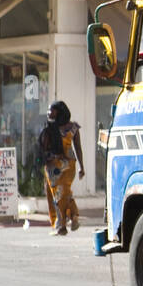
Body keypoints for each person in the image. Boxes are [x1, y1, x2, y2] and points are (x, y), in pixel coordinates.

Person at [39, 101, 83, 236]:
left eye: (51, 110)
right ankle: (72, 218)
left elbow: (78, 147)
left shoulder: (52, 127)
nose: (48, 113)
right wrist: (81, 166)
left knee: (58, 195)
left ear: (59, 111)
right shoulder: (72, 127)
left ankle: (62, 225)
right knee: (64, 193)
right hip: (70, 165)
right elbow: (78, 149)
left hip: (56, 165)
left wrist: (83, 167)